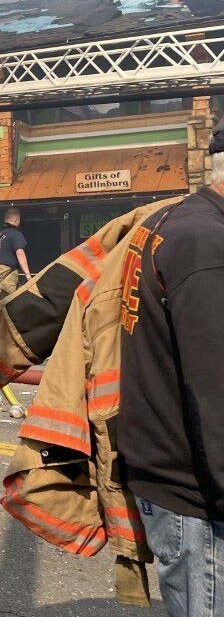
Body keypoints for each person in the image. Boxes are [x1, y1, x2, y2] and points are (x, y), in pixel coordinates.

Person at [117, 118, 224, 616]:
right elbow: (217, 389)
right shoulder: (207, 244)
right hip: (196, 495)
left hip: (169, 474)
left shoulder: (171, 222)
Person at [0, 208, 31, 304]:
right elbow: (20, 252)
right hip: (6, 271)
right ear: (17, 220)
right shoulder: (15, 234)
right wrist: (27, 275)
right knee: (9, 300)